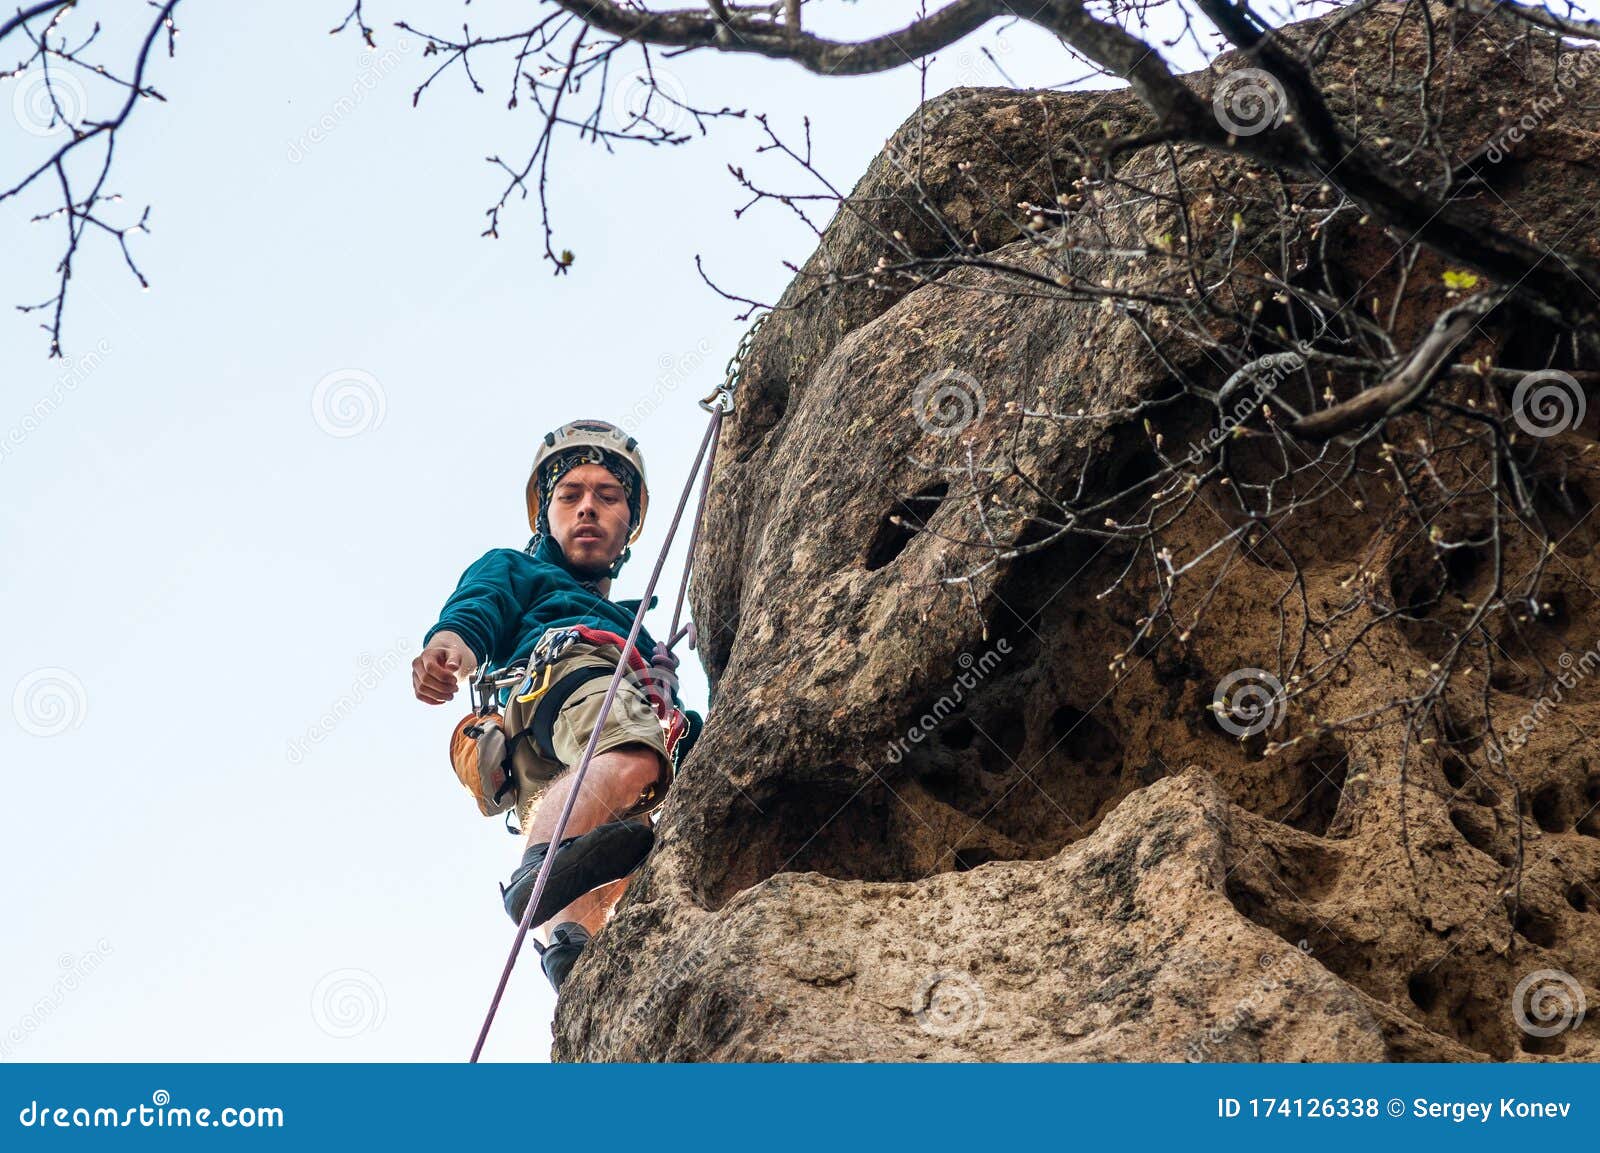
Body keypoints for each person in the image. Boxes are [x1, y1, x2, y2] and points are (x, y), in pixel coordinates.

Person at [412, 419, 700, 992]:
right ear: (546, 517)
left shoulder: (636, 628)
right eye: (570, 496)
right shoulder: (518, 569)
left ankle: (570, 950)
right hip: (566, 675)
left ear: (628, 525)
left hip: (547, 755)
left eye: (607, 496)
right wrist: (444, 654)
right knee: (637, 757)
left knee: (629, 828)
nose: (587, 508)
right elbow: (475, 612)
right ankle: (538, 871)